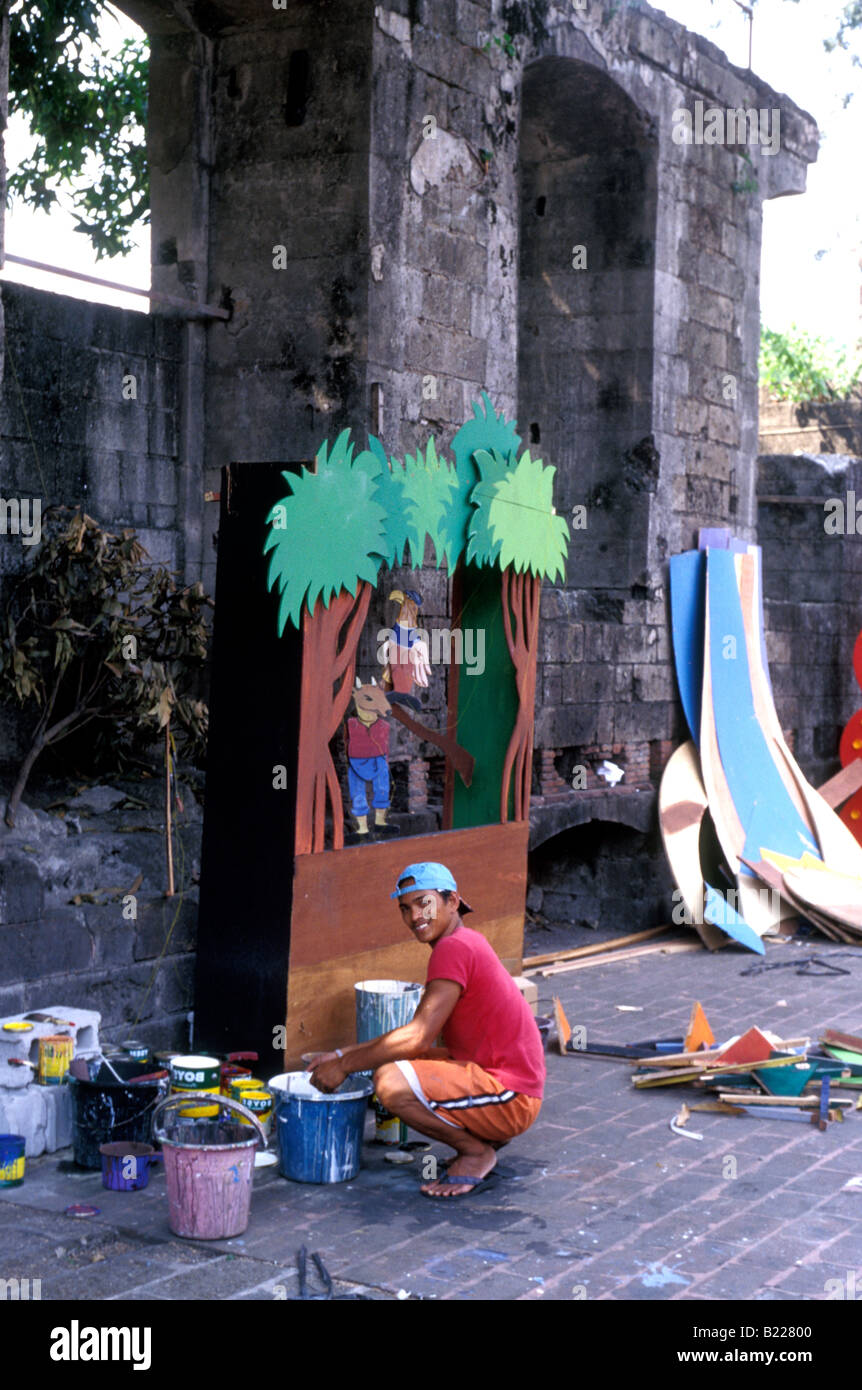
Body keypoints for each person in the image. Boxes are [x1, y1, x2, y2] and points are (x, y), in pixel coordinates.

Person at [308, 862, 545, 1198]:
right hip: (507, 1086)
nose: (414, 916)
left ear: (453, 901)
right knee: (408, 1060)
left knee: (390, 1081)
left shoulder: (454, 947)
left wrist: (345, 1065)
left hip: (512, 1097)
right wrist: (341, 1054)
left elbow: (416, 1035)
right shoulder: (463, 942)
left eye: (424, 903)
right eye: (405, 909)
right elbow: (414, 1037)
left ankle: (477, 1152)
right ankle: (483, 1139)